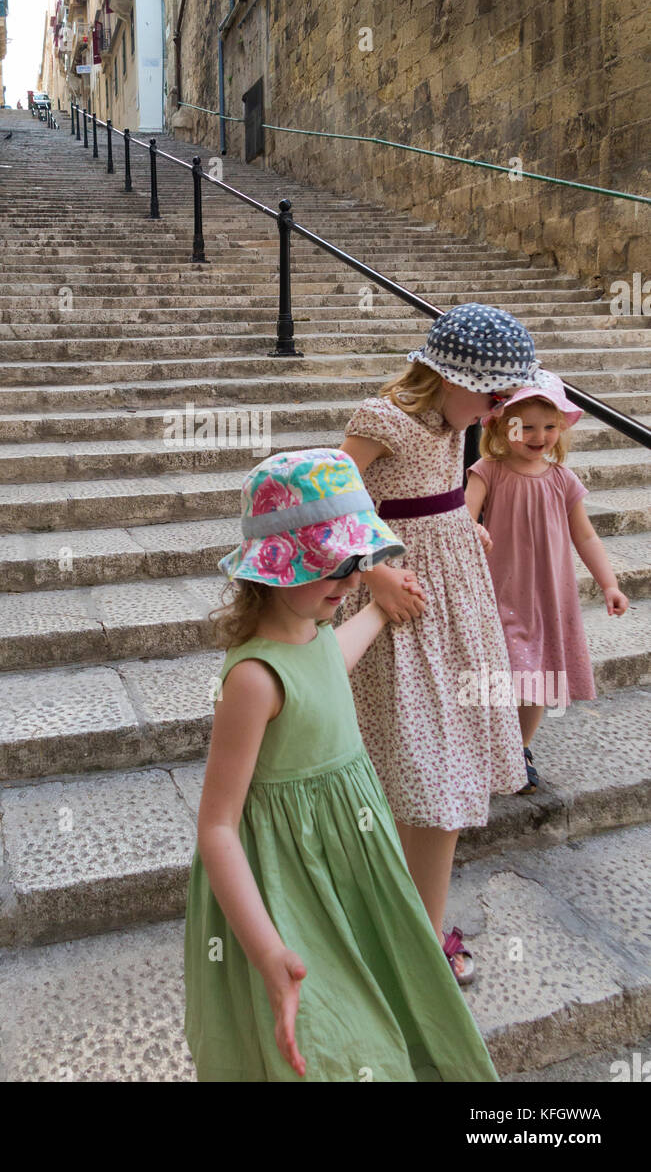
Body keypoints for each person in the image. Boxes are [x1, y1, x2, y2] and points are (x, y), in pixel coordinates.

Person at [184, 447, 500, 1082]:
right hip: (286, 874)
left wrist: (383, 609)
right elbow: (217, 827)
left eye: (358, 562)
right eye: (332, 565)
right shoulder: (252, 678)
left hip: (350, 852)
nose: (353, 579)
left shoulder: (314, 631)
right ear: (274, 567)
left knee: (372, 998)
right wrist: (266, 948)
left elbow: (334, 661)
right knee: (322, 1037)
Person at [335, 303, 537, 984]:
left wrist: (459, 521)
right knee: (418, 765)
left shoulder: (454, 421)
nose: (493, 412)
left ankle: (412, 925)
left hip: (455, 605)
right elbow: (330, 498)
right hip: (402, 603)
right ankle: (404, 930)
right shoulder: (382, 419)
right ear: (446, 375)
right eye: (489, 395)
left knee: (440, 769)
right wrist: (373, 570)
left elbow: (434, 494)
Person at [465, 369, 629, 793]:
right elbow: (463, 515)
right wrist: (472, 528)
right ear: (502, 426)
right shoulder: (489, 470)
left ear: (562, 428)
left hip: (548, 595)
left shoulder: (563, 480)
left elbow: (586, 535)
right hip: (500, 590)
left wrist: (609, 583)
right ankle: (488, 742)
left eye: (549, 426)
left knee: (536, 676)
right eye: (526, 426)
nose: (538, 436)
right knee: (499, 670)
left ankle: (519, 748)